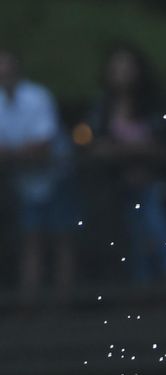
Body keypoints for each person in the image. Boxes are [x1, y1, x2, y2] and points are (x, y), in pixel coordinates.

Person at [86, 43, 166, 283]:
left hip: (158, 181)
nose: (122, 72)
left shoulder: (154, 103)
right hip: (119, 185)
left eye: (127, 66)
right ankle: (144, 284)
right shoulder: (103, 107)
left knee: (152, 214)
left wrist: (123, 150)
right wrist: (127, 152)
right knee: (136, 231)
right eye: (117, 66)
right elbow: (94, 144)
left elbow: (163, 142)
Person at [0, 49, 77, 304]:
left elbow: (43, 144)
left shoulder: (37, 96)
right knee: (30, 239)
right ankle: (29, 303)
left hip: (55, 176)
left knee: (61, 237)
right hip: (25, 181)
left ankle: (63, 300)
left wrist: (13, 154)